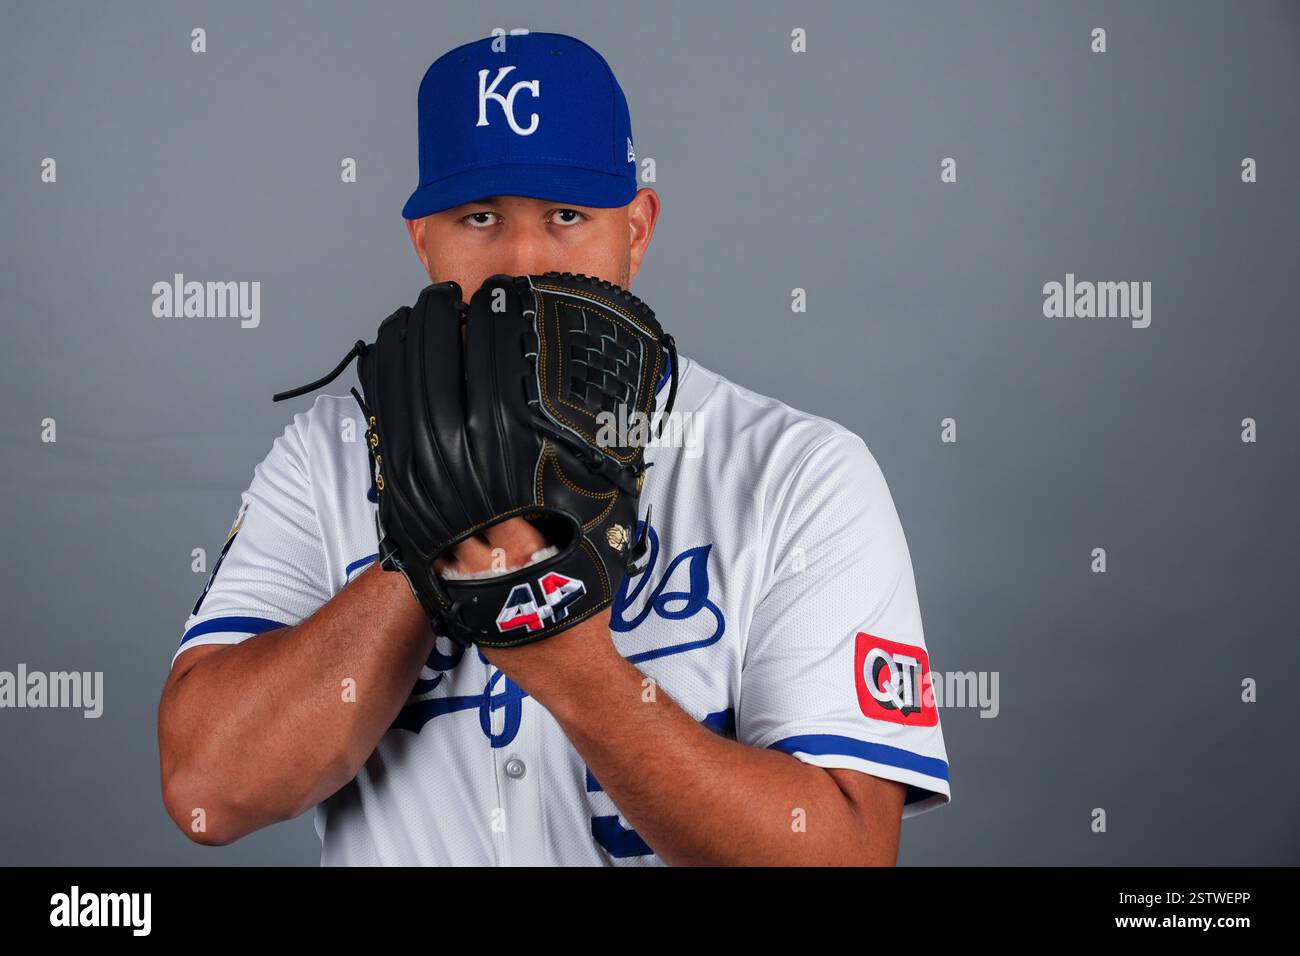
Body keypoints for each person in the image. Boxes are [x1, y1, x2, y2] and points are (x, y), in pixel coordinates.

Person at [158, 30, 950, 866]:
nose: (523, 262)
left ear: (636, 229)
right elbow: (208, 792)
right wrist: (426, 548)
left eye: (566, 215)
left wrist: (576, 671)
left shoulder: (798, 474)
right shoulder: (329, 456)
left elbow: (848, 852)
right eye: (481, 217)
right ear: (423, 239)